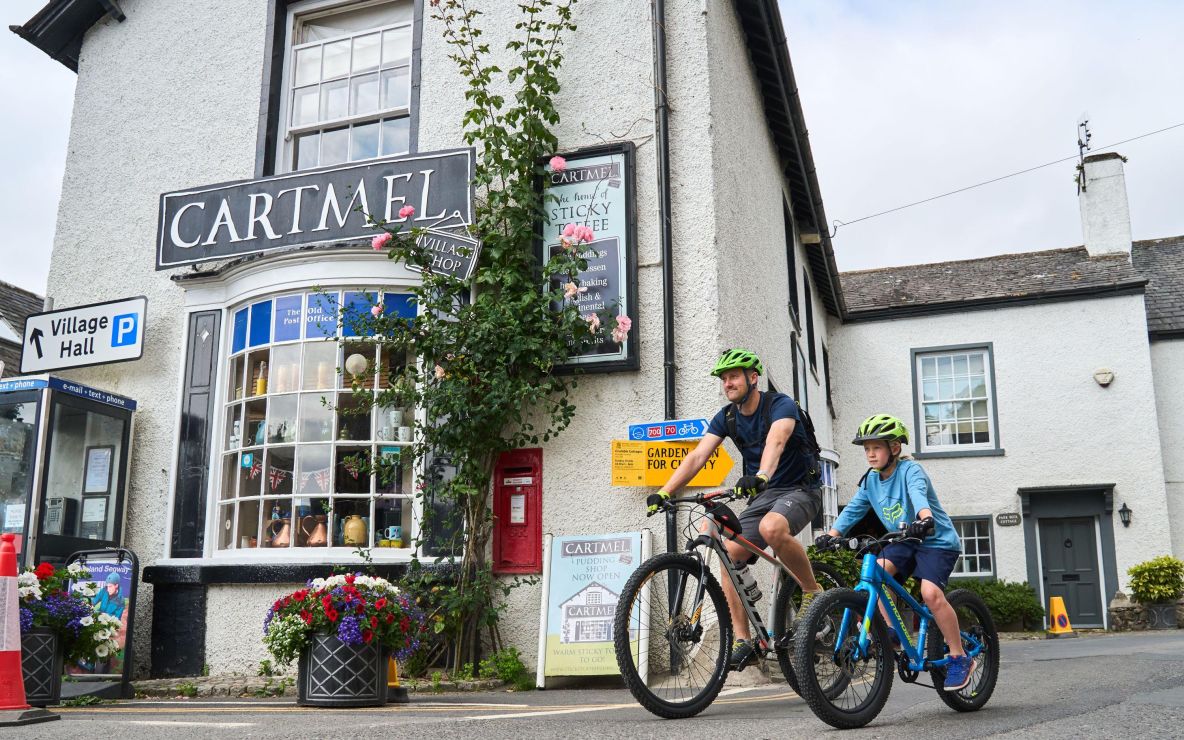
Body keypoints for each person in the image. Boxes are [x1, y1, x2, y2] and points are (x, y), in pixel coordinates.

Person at [646, 348, 825, 671]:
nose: (728, 383)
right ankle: (746, 640)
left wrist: (761, 475)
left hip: (800, 490)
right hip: (764, 496)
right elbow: (698, 456)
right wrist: (664, 491)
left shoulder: (780, 404)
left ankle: (812, 591)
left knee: (772, 529)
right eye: (724, 379)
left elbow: (777, 440)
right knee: (727, 553)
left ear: (752, 378)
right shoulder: (727, 417)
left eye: (733, 376)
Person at [815, 414, 975, 691]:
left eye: (876, 447)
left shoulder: (910, 471)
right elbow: (853, 510)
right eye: (866, 449)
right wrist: (831, 535)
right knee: (875, 572)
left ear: (895, 448)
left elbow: (918, 495)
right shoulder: (871, 481)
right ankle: (891, 632)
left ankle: (959, 657)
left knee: (930, 594)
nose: (870, 454)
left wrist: (924, 518)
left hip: (935, 541)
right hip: (903, 541)